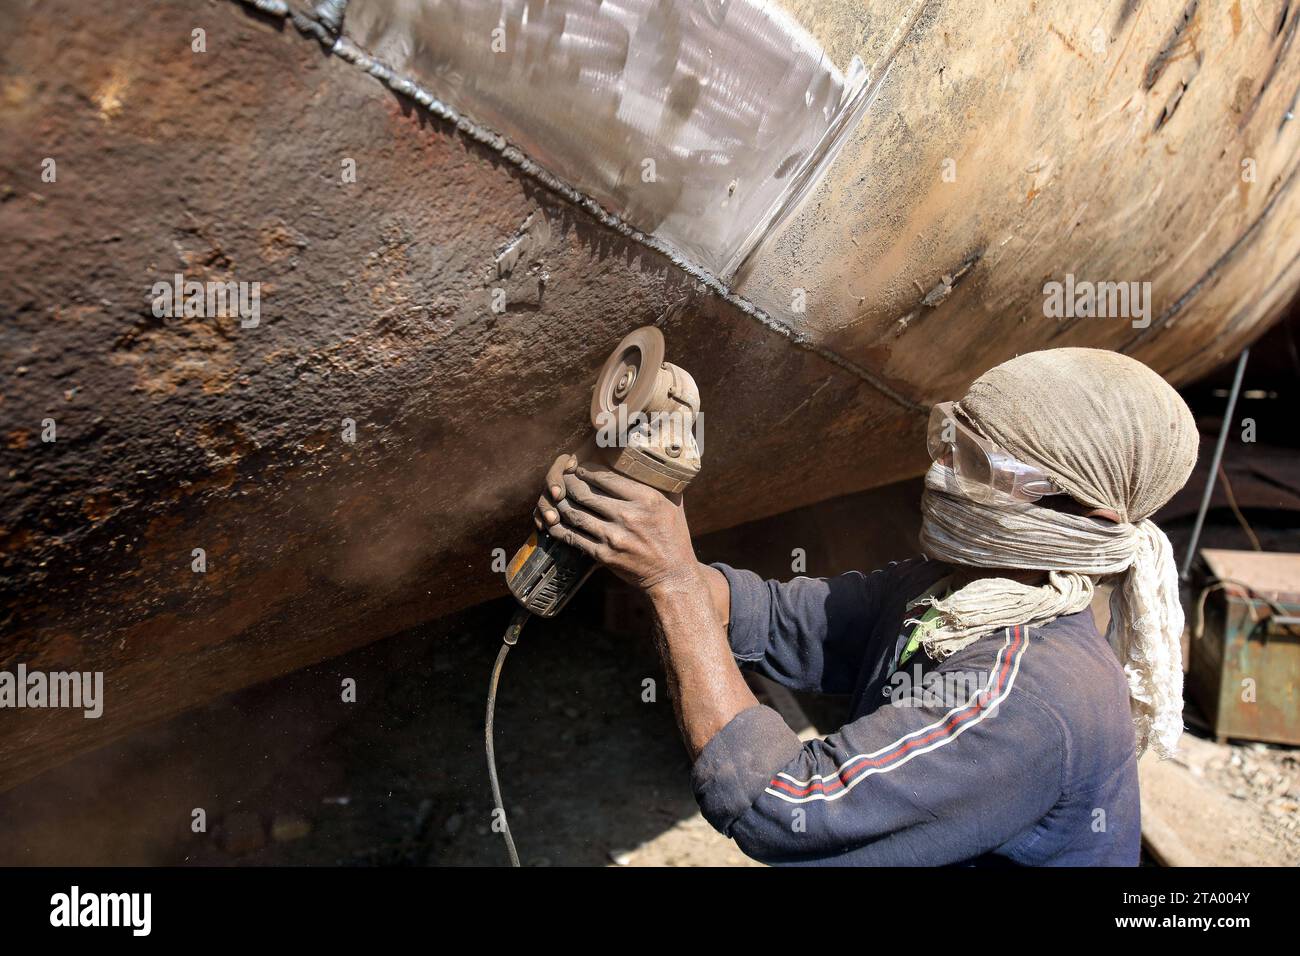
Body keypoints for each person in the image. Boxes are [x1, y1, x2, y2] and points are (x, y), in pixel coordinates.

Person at [535, 347, 1198, 866]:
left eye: (975, 463)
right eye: (947, 440)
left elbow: (782, 804)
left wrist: (672, 583)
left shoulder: (1029, 698)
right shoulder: (951, 591)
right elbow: (771, 616)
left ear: (1087, 513)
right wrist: (634, 529)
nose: (940, 473)